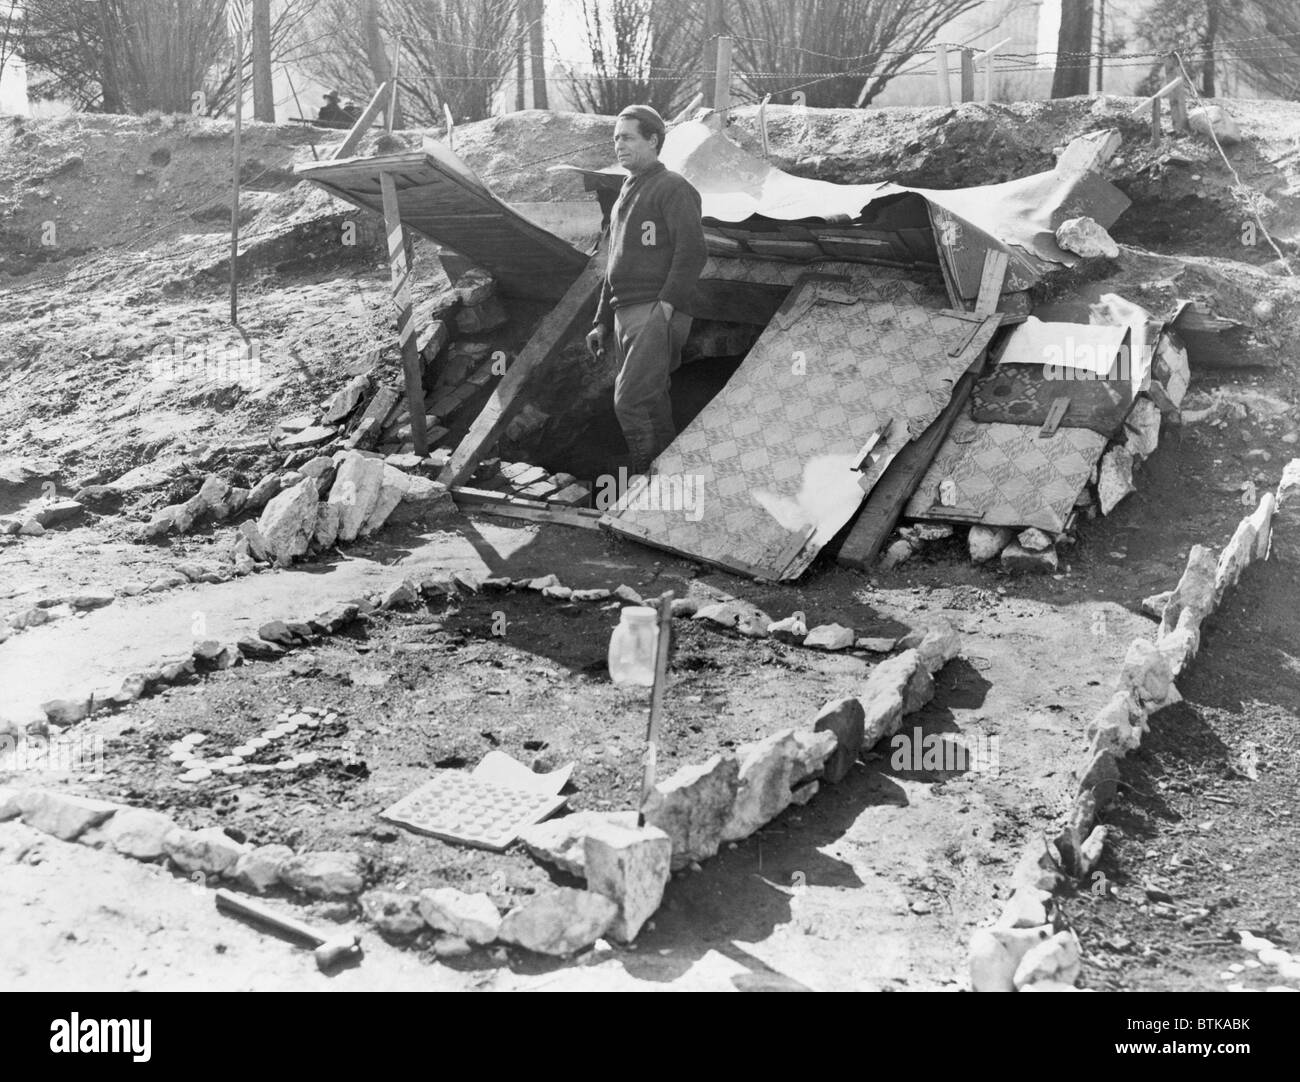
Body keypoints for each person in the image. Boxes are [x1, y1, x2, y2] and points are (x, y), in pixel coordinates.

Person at [585, 104, 708, 476]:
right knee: (653, 404)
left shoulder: (672, 187)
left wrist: (666, 307)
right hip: (626, 314)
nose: (618, 145)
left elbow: (693, 251)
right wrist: (601, 321)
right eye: (615, 139)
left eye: (627, 137)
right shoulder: (626, 190)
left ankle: (642, 477)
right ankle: (668, 477)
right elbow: (613, 265)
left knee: (630, 403)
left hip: (654, 310)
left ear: (653, 140)